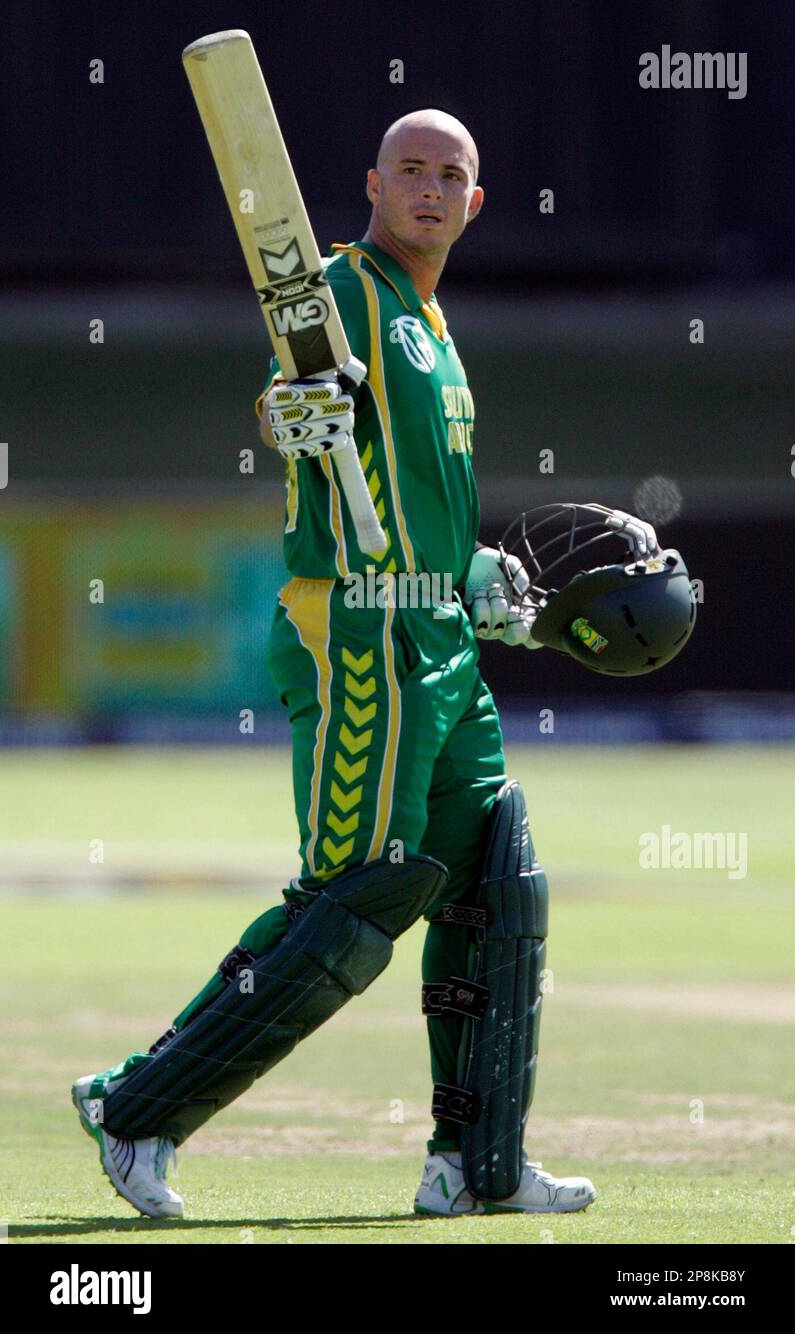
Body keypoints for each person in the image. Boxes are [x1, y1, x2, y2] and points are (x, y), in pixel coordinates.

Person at [73, 108, 654, 1219]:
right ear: (375, 187)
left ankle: (475, 1165)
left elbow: (406, 487)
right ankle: (135, 1107)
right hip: (362, 636)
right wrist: (287, 415)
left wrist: (471, 569)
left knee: (494, 878)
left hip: (436, 631)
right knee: (355, 898)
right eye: (412, 172)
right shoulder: (344, 288)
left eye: (452, 176)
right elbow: (289, 392)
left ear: (476, 203)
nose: (431, 190)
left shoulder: (432, 323)